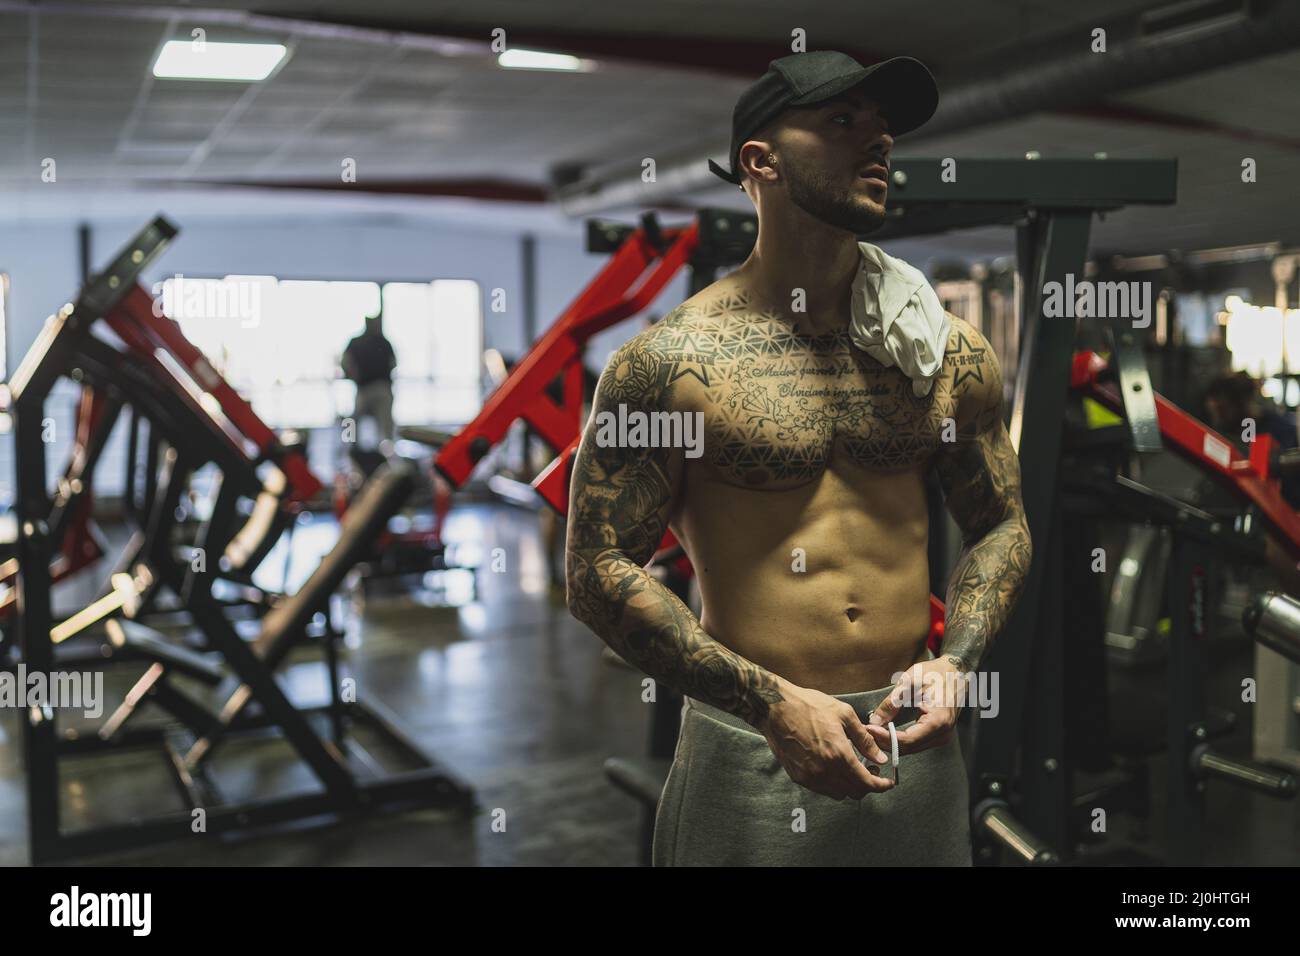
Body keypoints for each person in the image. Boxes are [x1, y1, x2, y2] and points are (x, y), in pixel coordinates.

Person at [564, 50, 1031, 866]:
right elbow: (596, 568)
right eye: (843, 121)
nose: (878, 139)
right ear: (760, 161)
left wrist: (956, 662)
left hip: (908, 743)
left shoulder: (945, 355)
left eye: (882, 126)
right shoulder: (669, 365)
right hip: (749, 741)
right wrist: (771, 702)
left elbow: (1001, 524)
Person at [341, 312, 397, 449]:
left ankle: (352, 446)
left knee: (354, 420)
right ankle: (385, 448)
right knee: (383, 424)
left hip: (368, 388)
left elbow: (345, 363)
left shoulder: (378, 342)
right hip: (374, 388)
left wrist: (352, 374)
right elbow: (393, 364)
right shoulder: (383, 342)